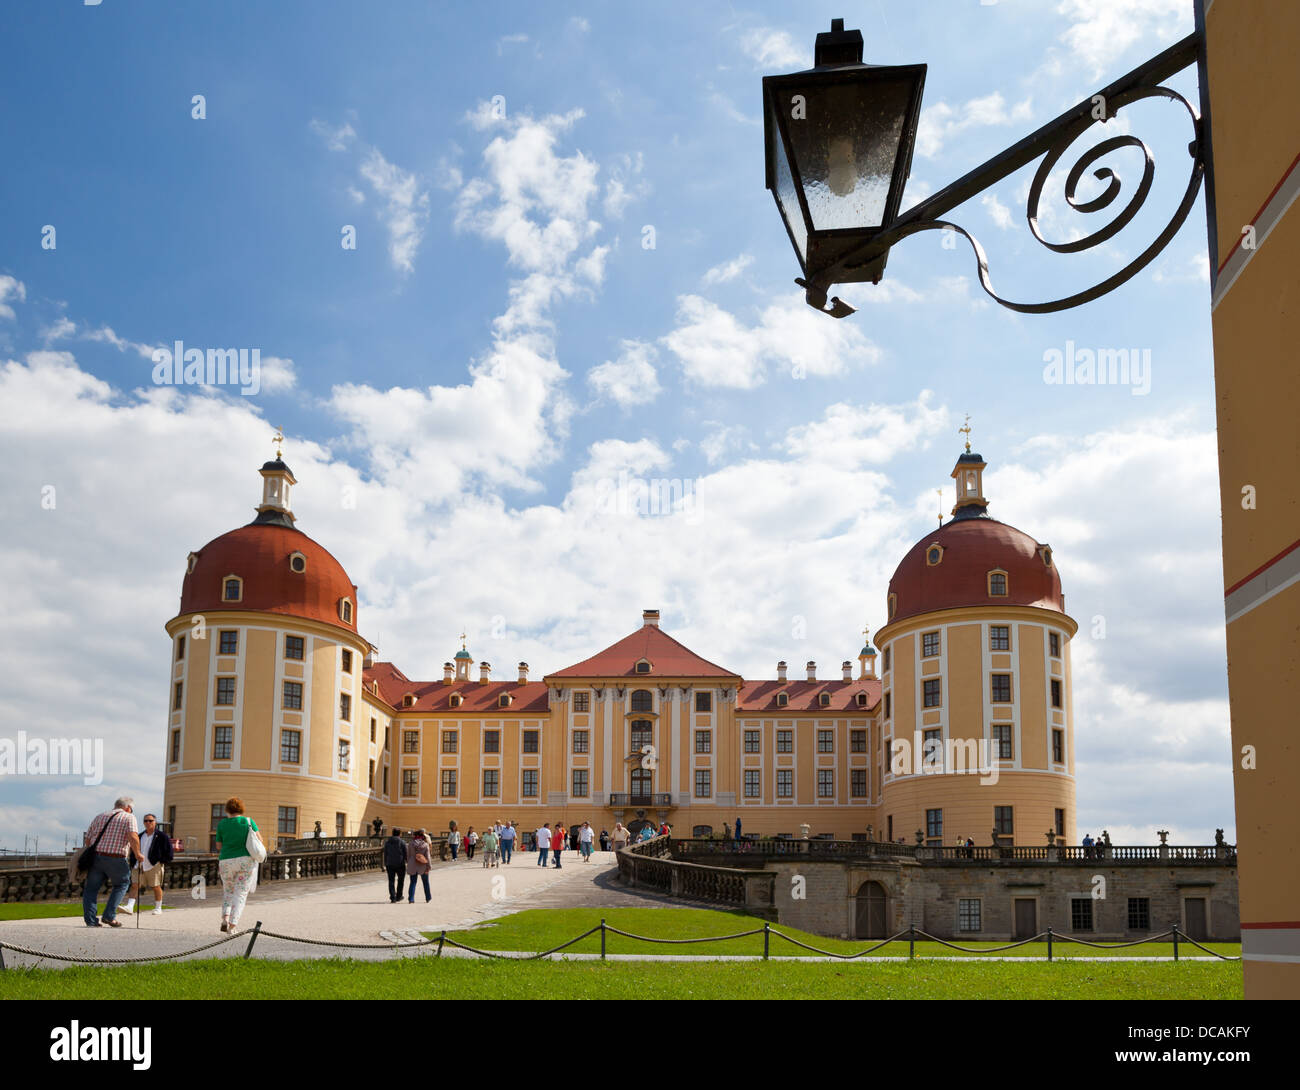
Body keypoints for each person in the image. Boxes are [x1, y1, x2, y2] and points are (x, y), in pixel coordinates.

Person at [80, 796, 142, 928]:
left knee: (91, 889)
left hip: (96, 857)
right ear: (128, 808)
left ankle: (91, 921)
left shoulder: (100, 816)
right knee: (122, 884)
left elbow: (88, 839)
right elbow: (133, 837)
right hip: (115, 857)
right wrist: (138, 854)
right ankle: (109, 916)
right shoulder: (129, 817)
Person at [214, 797, 262, 933]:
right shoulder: (248, 821)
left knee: (228, 891)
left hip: (226, 861)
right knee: (240, 893)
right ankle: (233, 925)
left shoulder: (222, 824)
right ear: (241, 808)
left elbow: (218, 845)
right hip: (245, 861)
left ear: (227, 809)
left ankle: (225, 917)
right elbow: (259, 839)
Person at [121, 812, 173, 916]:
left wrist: (161, 861)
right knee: (135, 885)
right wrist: (133, 861)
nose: (148, 822)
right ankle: (130, 907)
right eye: (146, 821)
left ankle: (158, 908)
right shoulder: (140, 836)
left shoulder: (162, 836)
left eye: (150, 820)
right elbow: (133, 849)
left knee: (156, 886)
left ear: (155, 822)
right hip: (139, 865)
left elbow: (169, 851)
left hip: (154, 865)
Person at [406, 829, 432, 903]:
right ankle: (428, 897)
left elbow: (408, 855)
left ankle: (411, 899)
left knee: (413, 882)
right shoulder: (425, 844)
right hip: (423, 865)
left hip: (412, 865)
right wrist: (429, 867)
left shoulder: (410, 844)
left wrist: (409, 863)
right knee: (425, 882)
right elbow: (428, 857)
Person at [383, 827, 406, 903]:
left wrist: (385, 863)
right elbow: (405, 853)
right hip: (400, 864)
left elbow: (385, 853)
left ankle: (393, 897)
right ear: (399, 834)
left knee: (391, 881)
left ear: (392, 833)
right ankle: (399, 896)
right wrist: (407, 861)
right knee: (400, 880)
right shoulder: (402, 842)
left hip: (389, 864)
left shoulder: (387, 842)